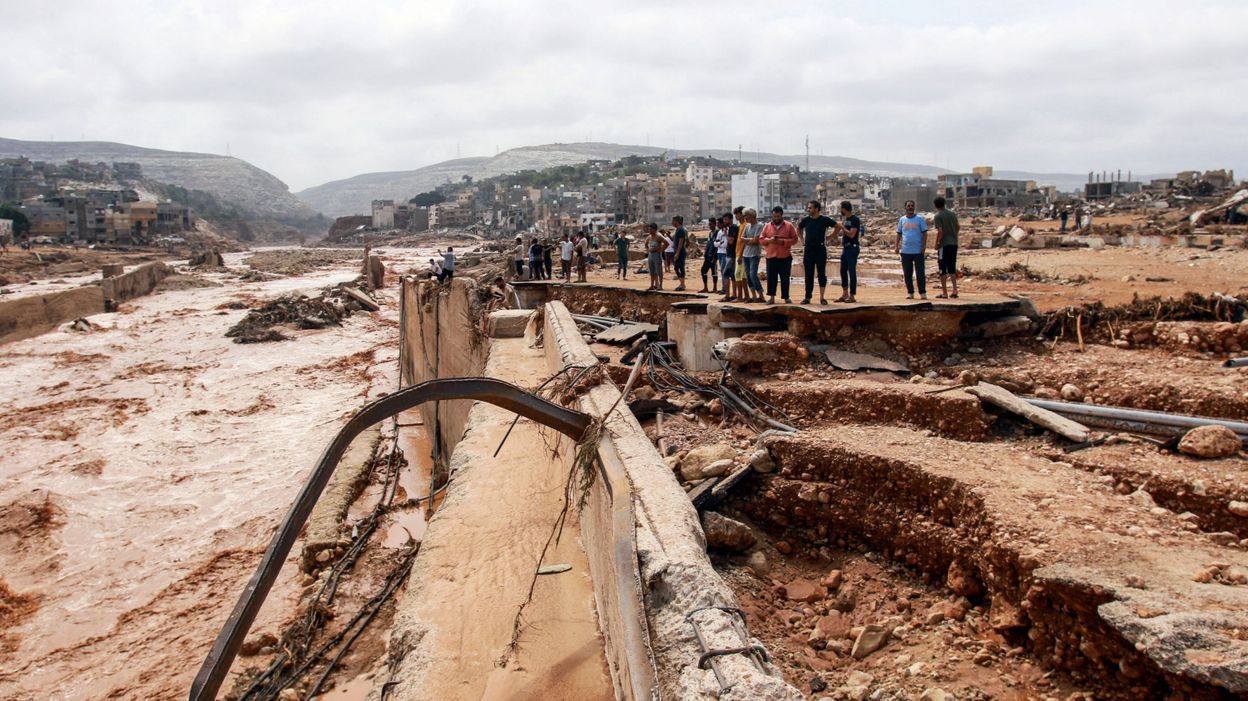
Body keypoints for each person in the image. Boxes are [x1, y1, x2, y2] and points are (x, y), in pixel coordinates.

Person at [797, 200, 836, 305]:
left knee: (821, 274)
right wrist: (802, 240)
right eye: (808, 208)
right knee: (808, 274)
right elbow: (799, 229)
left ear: (817, 209)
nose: (808, 209)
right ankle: (807, 297)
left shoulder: (824, 220)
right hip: (808, 249)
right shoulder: (806, 220)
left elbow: (838, 226)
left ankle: (822, 298)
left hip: (820, 249)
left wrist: (830, 237)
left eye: (810, 208)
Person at [895, 200, 928, 299]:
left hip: (918, 251)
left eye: (912, 206)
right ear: (905, 207)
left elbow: (925, 233)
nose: (910, 207)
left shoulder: (920, 219)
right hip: (905, 251)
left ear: (914, 207)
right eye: (908, 206)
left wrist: (924, 246)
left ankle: (922, 293)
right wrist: (896, 246)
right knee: (907, 274)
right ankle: (910, 292)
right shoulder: (902, 220)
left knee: (920, 273)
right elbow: (899, 233)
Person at [833, 201, 861, 302]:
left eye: (841, 208)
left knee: (851, 271)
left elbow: (852, 234)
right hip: (845, 248)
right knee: (843, 271)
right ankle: (845, 294)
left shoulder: (855, 219)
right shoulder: (845, 219)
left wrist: (842, 227)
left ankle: (852, 295)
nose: (840, 210)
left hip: (852, 248)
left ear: (844, 209)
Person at [933, 196, 960, 299]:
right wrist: (954, 235)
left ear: (935, 205)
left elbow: (940, 231)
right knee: (952, 267)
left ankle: (944, 292)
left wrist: (937, 243)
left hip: (944, 245)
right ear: (944, 203)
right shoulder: (952, 214)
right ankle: (955, 289)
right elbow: (958, 227)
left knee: (942, 268)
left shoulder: (938, 216)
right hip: (954, 243)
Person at [740, 208, 765, 302]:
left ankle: (761, 295)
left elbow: (756, 241)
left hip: (754, 254)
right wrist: (749, 240)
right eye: (745, 216)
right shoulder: (747, 226)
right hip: (746, 254)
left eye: (747, 216)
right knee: (748, 276)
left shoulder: (760, 226)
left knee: (753, 274)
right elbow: (742, 238)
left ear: (753, 216)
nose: (745, 218)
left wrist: (748, 240)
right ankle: (753, 296)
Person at [718, 212, 738, 302]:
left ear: (730, 219)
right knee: (732, 275)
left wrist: (726, 234)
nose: (724, 221)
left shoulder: (733, 228)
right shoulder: (731, 228)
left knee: (726, 274)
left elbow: (730, 242)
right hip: (730, 254)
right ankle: (733, 295)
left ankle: (727, 295)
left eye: (726, 219)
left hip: (732, 255)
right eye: (724, 220)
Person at [644, 223, 668, 291]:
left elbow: (666, 243)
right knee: (652, 271)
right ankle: (652, 285)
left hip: (657, 255)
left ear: (654, 229)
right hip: (650, 254)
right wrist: (648, 249)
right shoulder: (649, 236)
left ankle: (660, 285)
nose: (649, 230)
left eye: (650, 229)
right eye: (649, 229)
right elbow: (646, 243)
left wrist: (660, 250)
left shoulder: (658, 236)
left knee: (659, 271)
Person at [700, 219, 720, 293]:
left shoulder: (718, 233)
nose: (710, 226)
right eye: (709, 224)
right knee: (703, 271)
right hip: (707, 256)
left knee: (714, 272)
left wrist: (715, 256)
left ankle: (715, 288)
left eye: (711, 224)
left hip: (713, 256)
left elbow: (717, 246)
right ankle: (706, 287)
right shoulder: (710, 233)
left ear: (715, 224)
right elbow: (709, 244)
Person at [670, 216, 688, 291]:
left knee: (678, 267)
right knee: (678, 267)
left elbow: (680, 242)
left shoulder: (680, 230)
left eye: (673, 221)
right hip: (678, 251)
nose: (672, 222)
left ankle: (682, 284)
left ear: (676, 221)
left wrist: (677, 253)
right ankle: (682, 283)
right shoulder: (678, 229)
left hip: (680, 251)